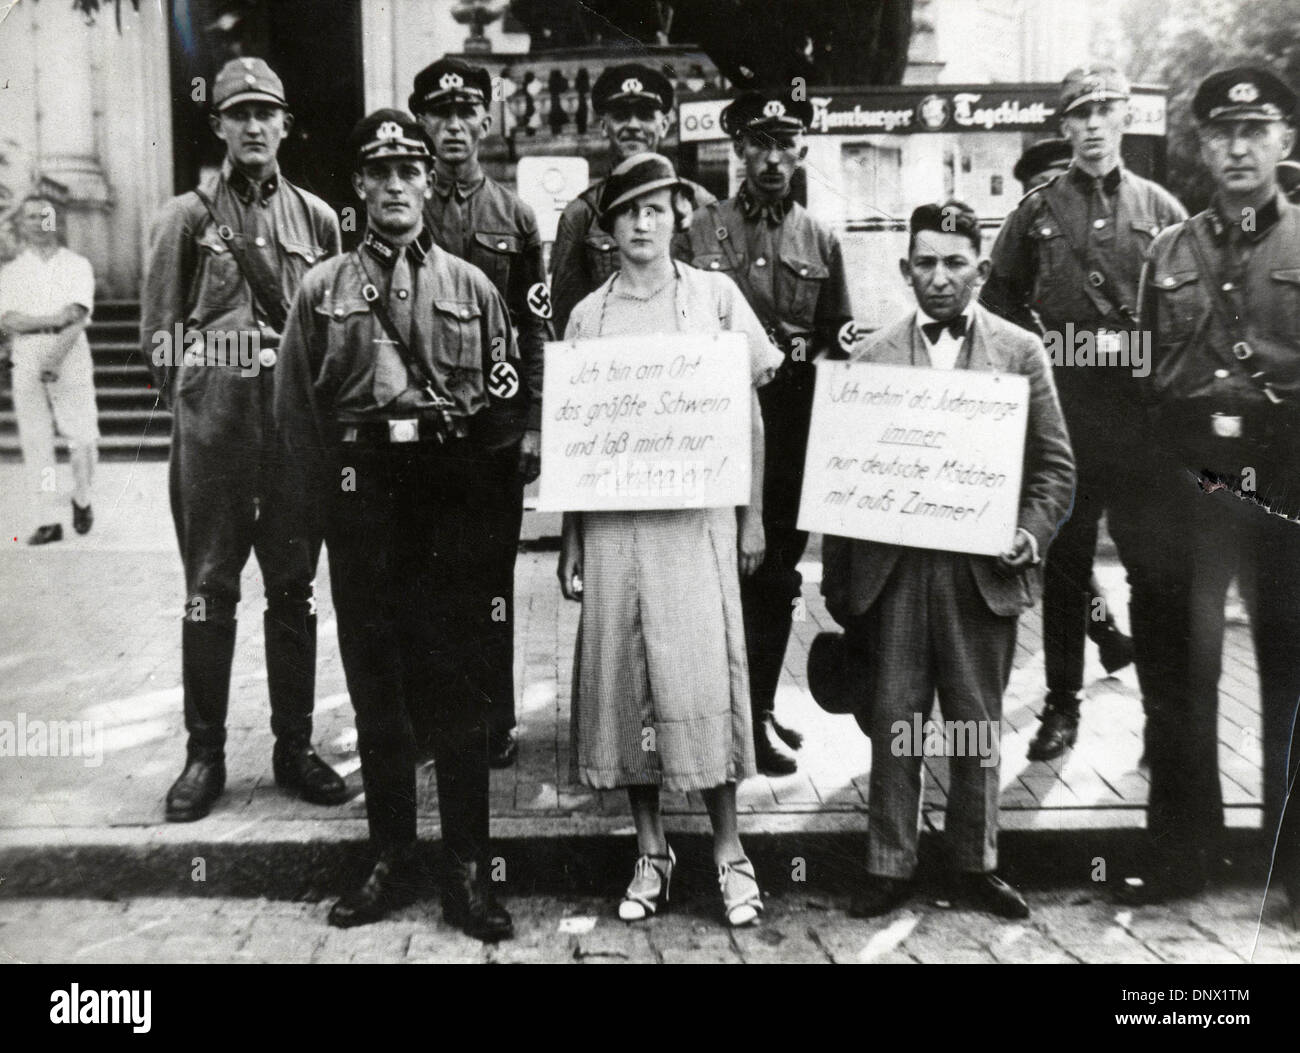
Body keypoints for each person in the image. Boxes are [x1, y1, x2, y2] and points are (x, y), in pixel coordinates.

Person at [275, 109, 523, 941]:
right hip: (364, 490)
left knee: (458, 682)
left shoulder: (473, 287)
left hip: (448, 493)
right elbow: (297, 420)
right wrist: (315, 527)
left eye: (409, 170)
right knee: (375, 677)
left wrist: (491, 536)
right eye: (378, 171)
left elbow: (501, 417)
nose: (395, 185)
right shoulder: (322, 290)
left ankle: (465, 865)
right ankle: (387, 851)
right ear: (358, 186)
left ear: (428, 181)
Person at [823, 202, 1075, 920]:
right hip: (896, 575)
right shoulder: (871, 357)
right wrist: (842, 589)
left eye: (955, 262)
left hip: (980, 576)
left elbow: (1054, 465)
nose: (939, 277)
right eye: (925, 262)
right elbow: (843, 472)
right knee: (898, 721)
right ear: (905, 271)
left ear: (981, 269)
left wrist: (1031, 532)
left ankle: (975, 859)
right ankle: (888, 861)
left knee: (974, 722)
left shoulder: (1020, 351)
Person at [556, 153, 782, 927]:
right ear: (609, 228)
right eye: (628, 211)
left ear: (678, 214)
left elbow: (749, 416)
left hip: (697, 523)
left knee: (698, 677)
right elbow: (577, 436)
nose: (643, 222)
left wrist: (752, 516)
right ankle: (650, 845)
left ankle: (728, 848)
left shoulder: (715, 298)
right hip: (617, 525)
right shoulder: (589, 315)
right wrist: (574, 537)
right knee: (627, 675)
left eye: (658, 207)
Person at [140, 57, 346, 822]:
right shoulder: (186, 218)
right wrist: (213, 392)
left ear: (286, 125)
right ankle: (205, 754)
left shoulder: (318, 221)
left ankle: (294, 747)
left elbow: (330, 334)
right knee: (208, 594)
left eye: (268, 113)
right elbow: (161, 342)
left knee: (294, 591)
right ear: (219, 124)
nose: (255, 126)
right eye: (240, 114)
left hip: (294, 443)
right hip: (217, 441)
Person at [1129, 68, 1300, 909]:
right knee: (1178, 669)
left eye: (1256, 130)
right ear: (1202, 148)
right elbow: (1140, 377)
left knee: (1294, 669)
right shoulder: (1167, 251)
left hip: (1291, 468)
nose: (1239, 146)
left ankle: (1295, 864)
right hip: (1188, 473)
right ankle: (1181, 853)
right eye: (1223, 134)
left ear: (1284, 142)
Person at [982, 65, 1186, 762]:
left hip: (1141, 421)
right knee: (1066, 568)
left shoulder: (1162, 208)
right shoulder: (1036, 213)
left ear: (1125, 116)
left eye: (1105, 111)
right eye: (1079, 114)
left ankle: (1164, 722)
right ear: (1062, 126)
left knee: (1153, 573)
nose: (1093, 125)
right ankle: (1061, 707)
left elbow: (1191, 317)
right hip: (1064, 418)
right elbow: (998, 308)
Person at [682, 86, 855, 775]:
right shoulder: (698, 232)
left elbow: (837, 342)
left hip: (789, 425)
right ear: (739, 150)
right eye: (759, 143)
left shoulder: (821, 238)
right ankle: (714, 714)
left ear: (802, 151)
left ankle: (755, 709)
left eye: (786, 144)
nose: (773, 158)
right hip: (711, 420)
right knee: (712, 571)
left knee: (776, 575)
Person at [409, 56, 552, 769]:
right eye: (440, 114)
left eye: (467, 113)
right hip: (420, 435)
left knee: (490, 581)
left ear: (486, 121)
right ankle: (434, 719)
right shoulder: (403, 204)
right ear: (422, 123)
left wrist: (532, 422)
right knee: (424, 576)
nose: (454, 126)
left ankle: (494, 717)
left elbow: (534, 326)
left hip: (492, 432)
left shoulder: (516, 216)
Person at [1013, 137, 1136, 678]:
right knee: (1061, 549)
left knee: (1089, 552)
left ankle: (1107, 635)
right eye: (1038, 187)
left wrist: (1077, 346)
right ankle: (1092, 650)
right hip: (1047, 416)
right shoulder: (1024, 237)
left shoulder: (1122, 225)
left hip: (1120, 414)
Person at [549, 62, 715, 338]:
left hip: (687, 362)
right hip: (611, 365)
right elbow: (566, 321)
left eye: (646, 115)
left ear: (665, 124)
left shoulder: (700, 203)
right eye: (621, 116)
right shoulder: (581, 214)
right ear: (604, 126)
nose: (633, 126)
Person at [0, 195, 99, 545]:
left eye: (45, 215)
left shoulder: (76, 265)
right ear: (21, 224)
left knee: (81, 437)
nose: (38, 222)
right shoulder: (11, 273)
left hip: (69, 351)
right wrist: (51, 319)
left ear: (55, 221)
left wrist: (55, 356)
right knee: (36, 439)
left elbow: (76, 316)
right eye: (30, 217)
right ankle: (47, 518)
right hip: (26, 355)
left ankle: (82, 496)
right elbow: (9, 320)